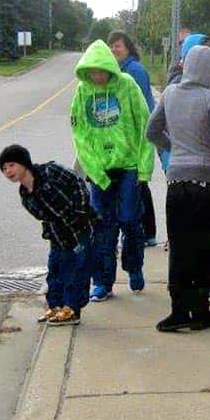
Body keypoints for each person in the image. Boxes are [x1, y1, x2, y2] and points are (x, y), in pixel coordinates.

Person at [147, 45, 210, 332]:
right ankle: (201, 310)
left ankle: (178, 311)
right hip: (206, 182)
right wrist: (207, 150)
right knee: (204, 245)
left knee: (179, 245)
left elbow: (151, 131)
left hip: (176, 181)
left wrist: (175, 148)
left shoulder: (170, 93)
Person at [70, 40, 154, 303]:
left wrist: (144, 167)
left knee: (129, 220)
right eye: (92, 71)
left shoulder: (127, 85)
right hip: (100, 171)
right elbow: (79, 135)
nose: (97, 76)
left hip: (128, 166)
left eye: (101, 70)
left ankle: (134, 267)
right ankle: (102, 282)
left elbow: (145, 125)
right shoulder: (83, 91)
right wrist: (95, 171)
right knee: (102, 228)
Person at [0, 145, 93, 326]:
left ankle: (72, 310)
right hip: (57, 236)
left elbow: (77, 181)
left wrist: (81, 213)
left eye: (11, 165)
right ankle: (55, 306)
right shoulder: (24, 193)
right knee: (54, 271)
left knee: (74, 272)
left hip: (78, 230)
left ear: (24, 163)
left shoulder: (50, 171)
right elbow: (46, 217)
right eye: (4, 168)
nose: (8, 171)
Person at [107, 29, 159, 248]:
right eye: (111, 46)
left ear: (128, 48)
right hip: (124, 135)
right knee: (134, 184)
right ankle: (145, 232)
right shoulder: (118, 70)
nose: (114, 49)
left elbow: (140, 105)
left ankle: (145, 232)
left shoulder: (134, 70)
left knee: (138, 183)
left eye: (118, 45)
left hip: (136, 134)